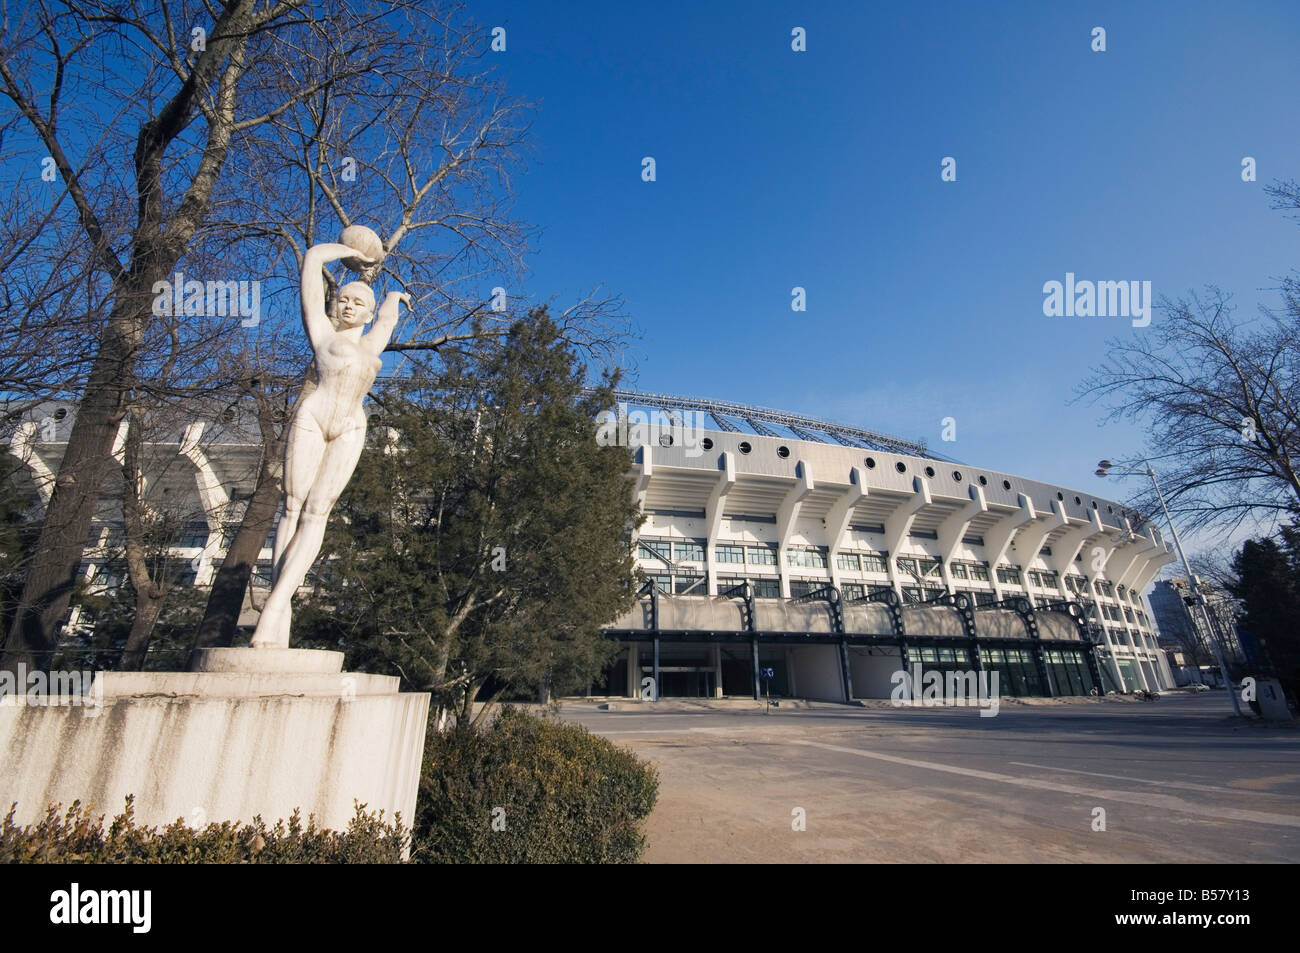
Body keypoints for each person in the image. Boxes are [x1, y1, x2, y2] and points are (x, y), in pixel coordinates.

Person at [250, 241, 408, 649]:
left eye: (358, 302)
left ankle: (275, 607)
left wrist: (391, 296)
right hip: (314, 415)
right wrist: (353, 253)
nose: (350, 306)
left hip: (351, 425)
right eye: (344, 299)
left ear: (368, 312)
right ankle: (276, 612)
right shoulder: (321, 333)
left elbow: (387, 321)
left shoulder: (371, 345)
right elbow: (313, 260)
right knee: (292, 506)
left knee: (318, 512)